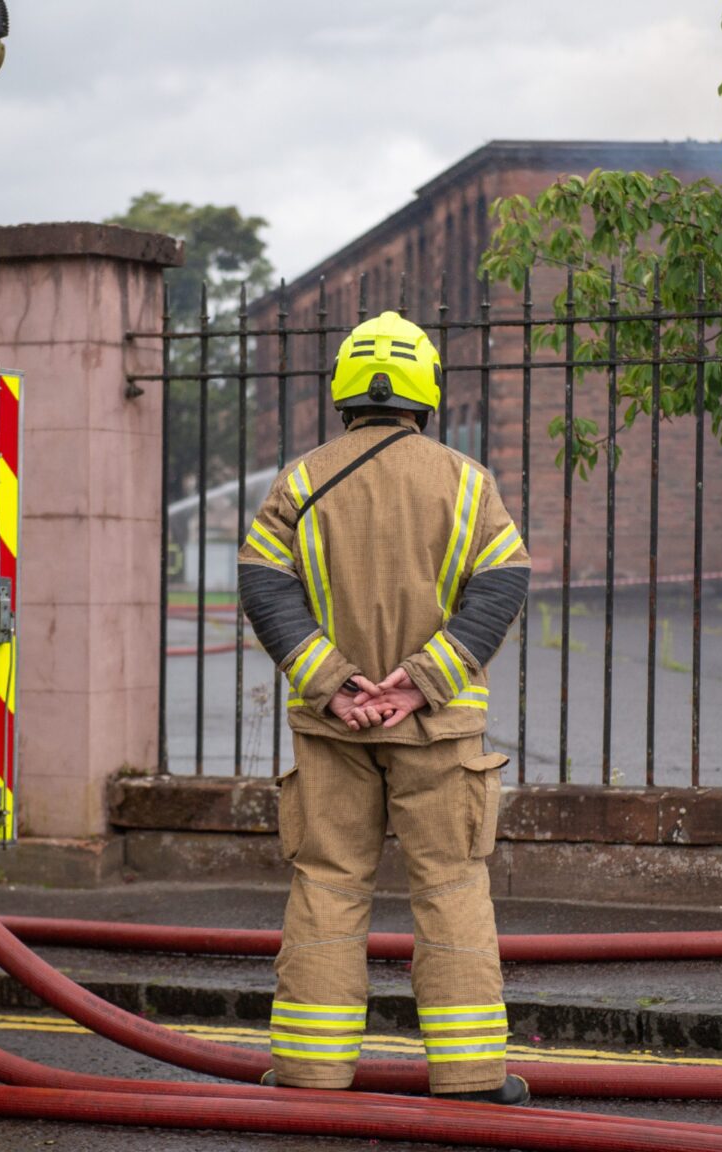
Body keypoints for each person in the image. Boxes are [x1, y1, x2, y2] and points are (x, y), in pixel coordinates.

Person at [237, 310, 531, 1104]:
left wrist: (331, 681)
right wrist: (419, 680)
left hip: (329, 729)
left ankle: (307, 1070)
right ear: (424, 394)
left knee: (328, 884)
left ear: (342, 392)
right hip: (439, 731)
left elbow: (263, 584)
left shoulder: (299, 481)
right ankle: (470, 1075)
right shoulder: (467, 483)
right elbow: (501, 584)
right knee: (450, 886)